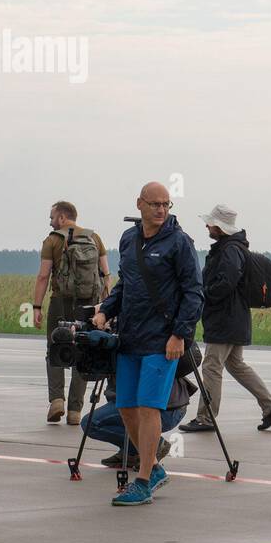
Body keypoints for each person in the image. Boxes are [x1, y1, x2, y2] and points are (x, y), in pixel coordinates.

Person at [93, 182, 203, 507]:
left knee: (147, 406)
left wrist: (179, 334)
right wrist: (105, 311)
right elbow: (126, 283)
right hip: (130, 337)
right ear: (139, 204)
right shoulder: (129, 239)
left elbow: (194, 292)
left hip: (163, 339)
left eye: (167, 204)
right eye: (155, 204)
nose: (161, 210)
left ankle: (142, 480)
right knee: (125, 405)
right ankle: (153, 467)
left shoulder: (180, 243)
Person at [179, 205, 271, 434]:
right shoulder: (232, 248)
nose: (207, 226)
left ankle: (206, 418)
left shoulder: (229, 250)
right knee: (235, 364)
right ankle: (270, 405)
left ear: (219, 226)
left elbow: (226, 282)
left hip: (225, 319)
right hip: (235, 318)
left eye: (210, 223)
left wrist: (204, 294)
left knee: (211, 366)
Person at [33, 201, 110, 425]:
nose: (50, 221)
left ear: (63, 218)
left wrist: (37, 307)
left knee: (54, 348)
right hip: (89, 305)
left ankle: (57, 400)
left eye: (52, 217)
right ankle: (76, 411)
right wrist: (104, 308)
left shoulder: (52, 240)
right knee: (83, 351)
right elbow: (106, 275)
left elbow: (43, 276)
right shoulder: (94, 238)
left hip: (61, 302)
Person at [84, 375, 192, 470]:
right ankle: (134, 451)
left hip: (163, 407)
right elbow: (89, 375)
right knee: (90, 422)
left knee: (91, 423)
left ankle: (151, 445)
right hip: (172, 404)